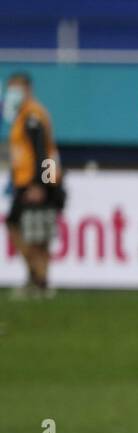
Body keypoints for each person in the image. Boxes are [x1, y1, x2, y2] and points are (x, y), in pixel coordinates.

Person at [4, 72, 65, 299]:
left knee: (35, 234)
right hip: (26, 181)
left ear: (27, 89)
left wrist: (43, 185)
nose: (11, 93)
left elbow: (43, 151)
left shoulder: (32, 115)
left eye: (15, 88)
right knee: (26, 230)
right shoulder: (22, 116)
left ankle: (40, 281)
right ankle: (37, 279)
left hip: (35, 182)